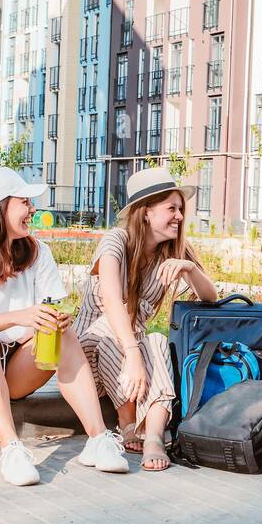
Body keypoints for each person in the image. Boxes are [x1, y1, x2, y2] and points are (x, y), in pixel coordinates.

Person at [0, 167, 129, 485]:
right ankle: (11, 449)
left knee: (61, 332)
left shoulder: (38, 252)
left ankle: (98, 439)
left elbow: (49, 308)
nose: (33, 209)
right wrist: (19, 316)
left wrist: (53, 318)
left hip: (15, 370)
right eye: (24, 202)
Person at [74, 167, 219, 472]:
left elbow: (211, 297)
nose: (179, 216)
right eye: (171, 208)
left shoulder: (172, 250)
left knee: (154, 339)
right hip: (91, 348)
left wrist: (190, 270)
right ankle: (127, 423)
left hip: (132, 347)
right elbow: (112, 301)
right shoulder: (115, 241)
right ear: (145, 214)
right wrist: (132, 354)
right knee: (129, 338)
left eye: (180, 209)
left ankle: (152, 435)